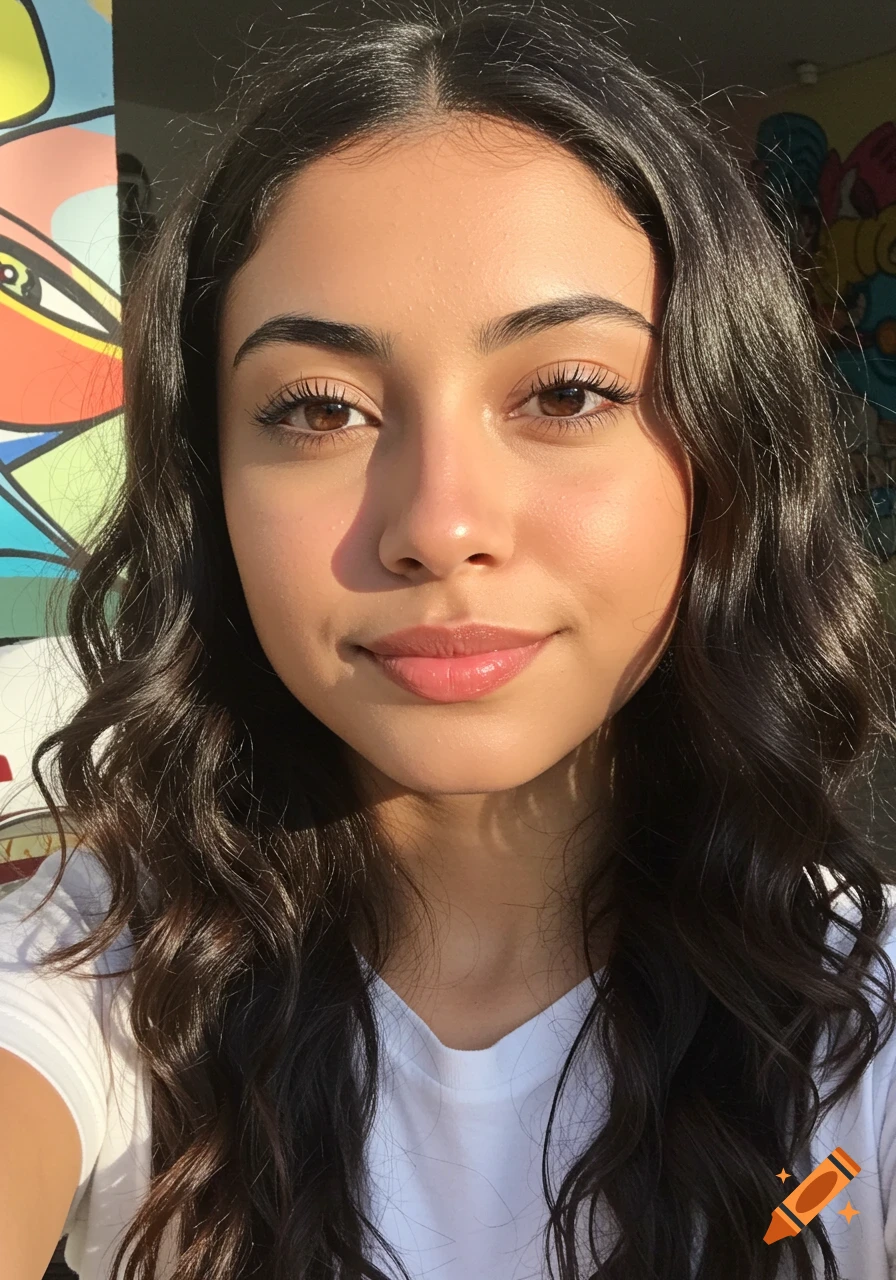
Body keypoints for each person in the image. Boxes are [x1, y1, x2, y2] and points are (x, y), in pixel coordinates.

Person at [1, 3, 895, 1278]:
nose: (437, 525)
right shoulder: (93, 966)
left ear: (725, 457)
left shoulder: (859, 1030)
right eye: (317, 408)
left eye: (568, 391)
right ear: (209, 489)